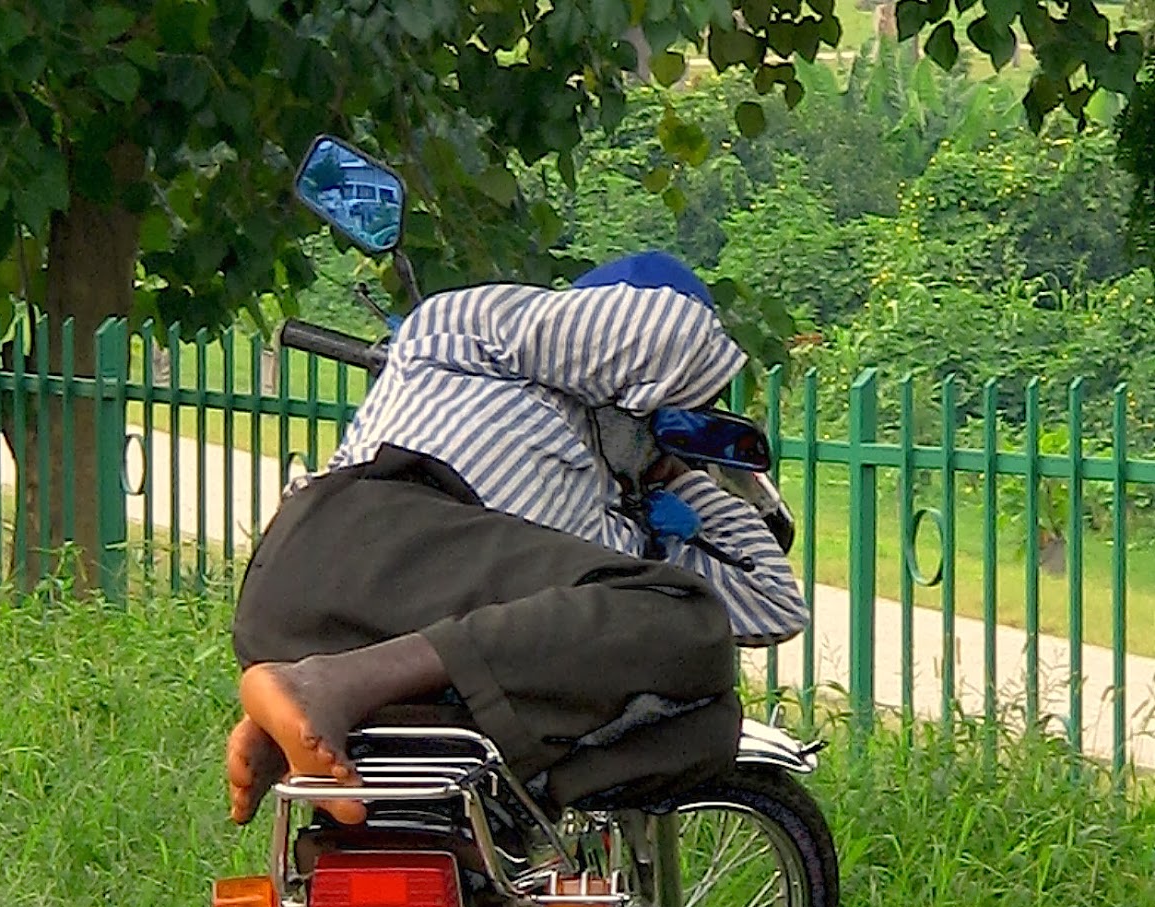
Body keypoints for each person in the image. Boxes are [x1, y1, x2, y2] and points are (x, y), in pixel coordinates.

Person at [227, 252, 808, 826]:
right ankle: (323, 685)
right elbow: (669, 330)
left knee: (704, 704)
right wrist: (666, 414)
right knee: (683, 614)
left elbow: (769, 602)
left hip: (297, 621)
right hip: (368, 540)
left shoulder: (612, 526)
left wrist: (674, 472)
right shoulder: (460, 338)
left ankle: (492, 820)